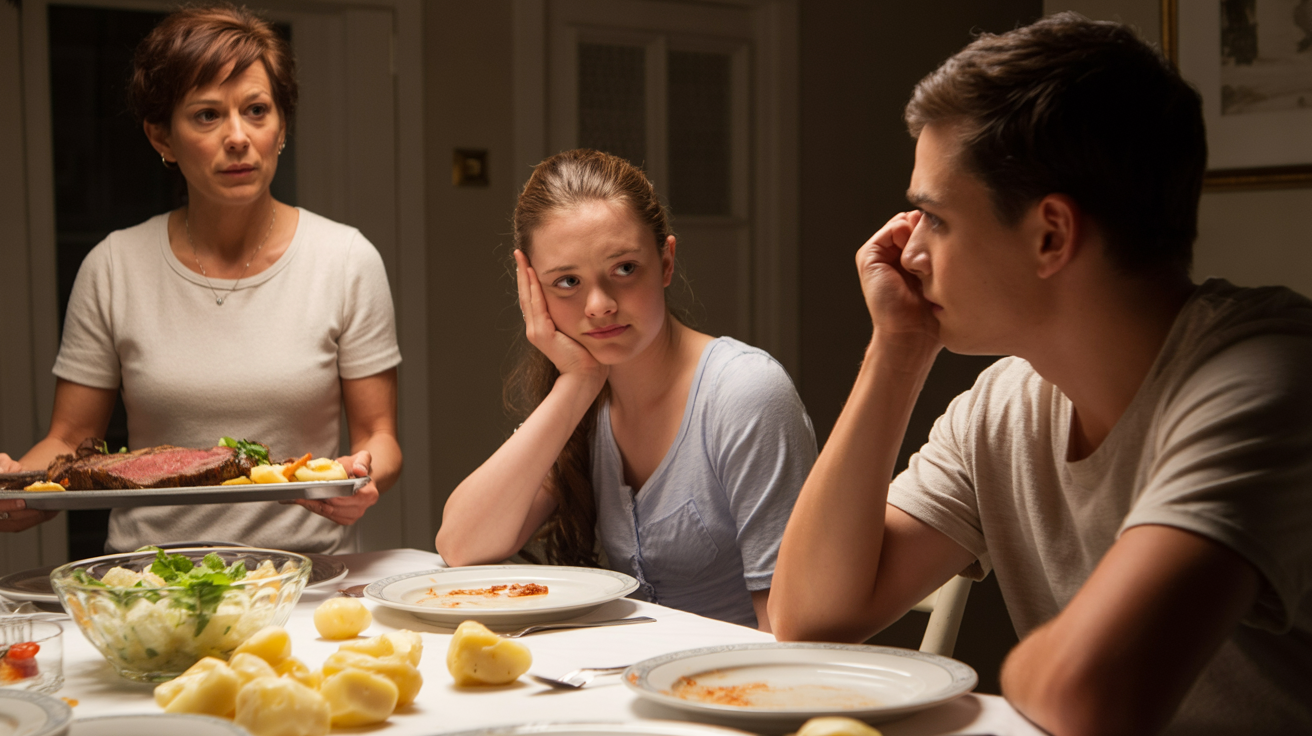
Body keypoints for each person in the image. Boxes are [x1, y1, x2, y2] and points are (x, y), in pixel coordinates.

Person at [770, 13, 1312, 736]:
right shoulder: (1007, 405)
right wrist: (897, 351)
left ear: (1051, 235)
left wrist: (1018, 673)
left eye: (933, 218)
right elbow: (808, 618)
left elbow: (1086, 693)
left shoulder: (1267, 379)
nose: (909, 251)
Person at [0, 3, 401, 553]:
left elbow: (380, 437)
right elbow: (69, 440)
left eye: (257, 110)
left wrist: (363, 474)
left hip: (306, 581)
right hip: (147, 579)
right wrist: (18, 485)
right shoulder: (114, 266)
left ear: (281, 126)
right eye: (207, 115)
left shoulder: (346, 259)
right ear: (162, 137)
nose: (238, 137)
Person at [436, 149, 815, 630]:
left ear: (666, 261)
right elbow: (460, 544)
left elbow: (790, 635)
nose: (598, 305)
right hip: (626, 686)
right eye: (567, 281)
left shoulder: (746, 394)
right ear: (533, 292)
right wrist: (576, 385)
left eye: (624, 269)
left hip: (735, 692)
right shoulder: (588, 399)